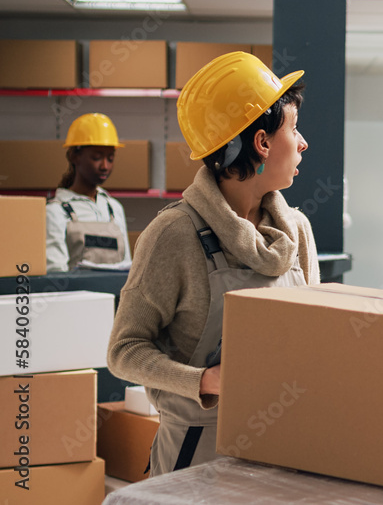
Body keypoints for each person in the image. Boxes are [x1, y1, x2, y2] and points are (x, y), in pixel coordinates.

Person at [107, 52, 320, 476]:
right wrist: (206, 380)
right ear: (261, 142)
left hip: (283, 452)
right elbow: (124, 352)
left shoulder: (297, 230)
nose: (303, 143)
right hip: (196, 458)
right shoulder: (174, 235)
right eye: (293, 129)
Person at [45, 113, 132, 273]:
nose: (105, 166)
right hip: (75, 298)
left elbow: (126, 268)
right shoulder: (55, 212)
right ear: (74, 157)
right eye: (97, 157)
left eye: (110, 158)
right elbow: (55, 273)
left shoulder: (114, 208)